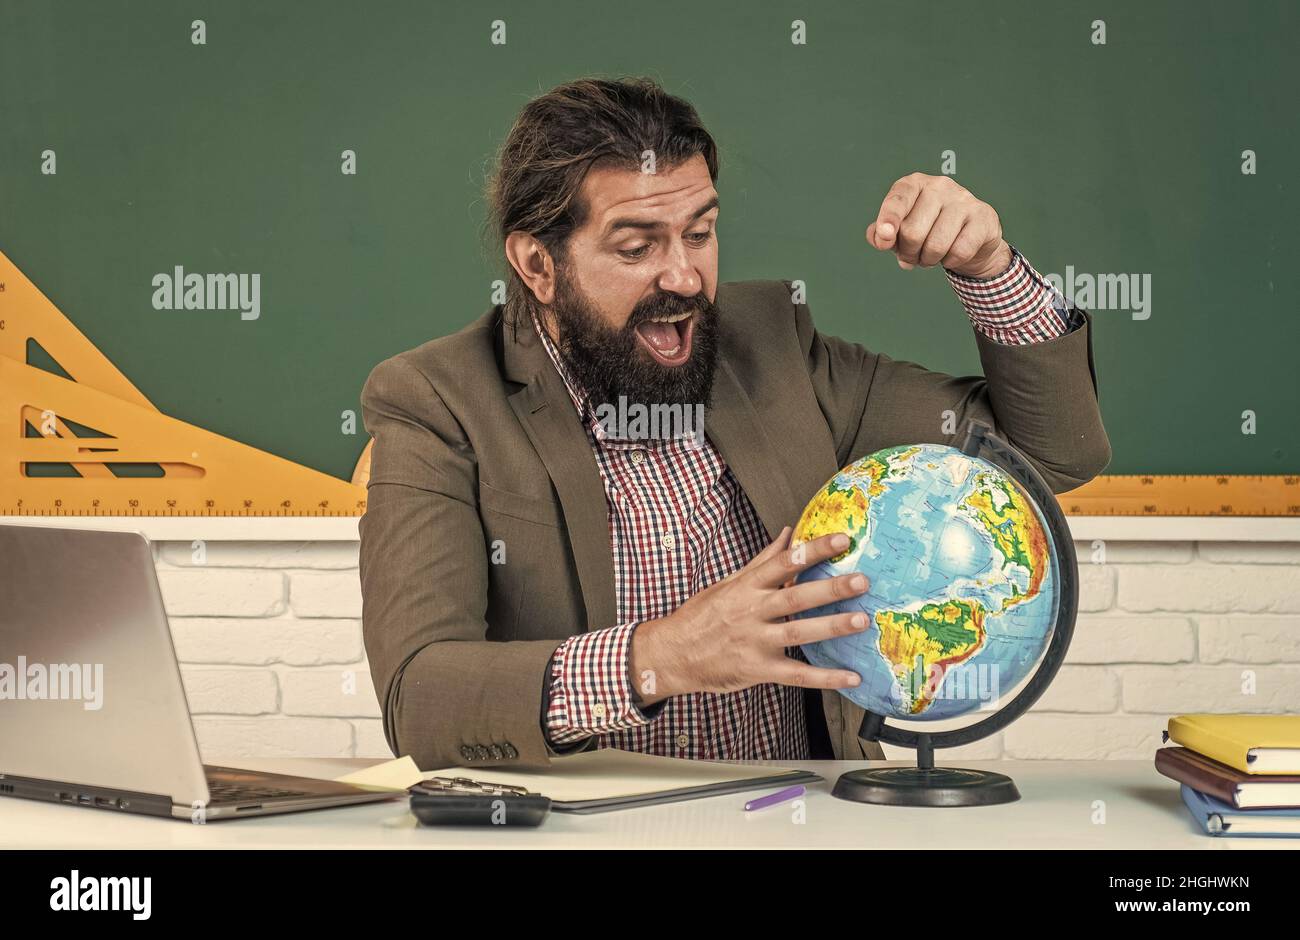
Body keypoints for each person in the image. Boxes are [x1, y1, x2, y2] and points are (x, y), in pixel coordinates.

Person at [358, 77, 1110, 769]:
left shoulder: (774, 348)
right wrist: (662, 656)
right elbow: (419, 698)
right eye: (636, 246)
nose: (684, 277)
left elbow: (1050, 455)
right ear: (537, 265)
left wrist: (987, 266)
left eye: (699, 232)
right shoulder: (437, 401)